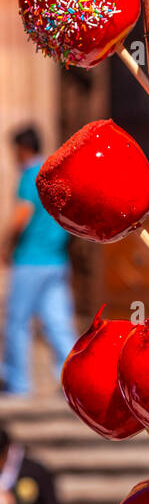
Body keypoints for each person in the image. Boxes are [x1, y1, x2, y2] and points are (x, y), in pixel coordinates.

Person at [1, 125, 76, 394]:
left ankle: (17, 381)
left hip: (30, 259)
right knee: (58, 322)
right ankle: (72, 380)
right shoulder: (53, 175)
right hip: (56, 260)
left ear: (21, 149)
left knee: (17, 322)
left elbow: (22, 215)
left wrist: (5, 247)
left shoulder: (29, 176)